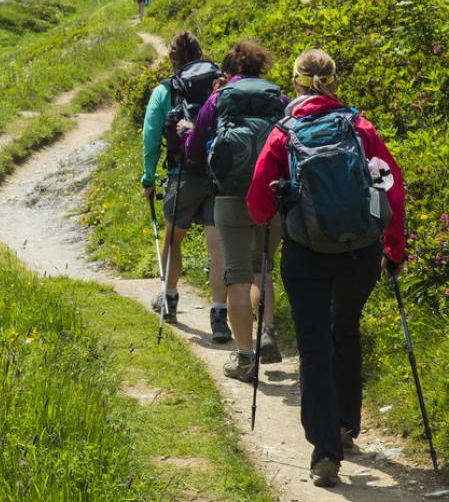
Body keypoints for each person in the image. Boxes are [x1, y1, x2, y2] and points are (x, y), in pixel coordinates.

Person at [246, 49, 406, 488]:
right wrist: (394, 248)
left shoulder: (284, 133)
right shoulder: (360, 127)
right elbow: (393, 189)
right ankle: (345, 426)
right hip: (360, 251)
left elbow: (257, 204)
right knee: (346, 330)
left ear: (295, 83)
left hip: (306, 253)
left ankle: (324, 455)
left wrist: (278, 208)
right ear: (335, 82)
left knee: (313, 346)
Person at [179, 40, 287, 381]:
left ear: (228, 70)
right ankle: (267, 330)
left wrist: (185, 136)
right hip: (271, 196)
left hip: (229, 197)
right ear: (261, 67)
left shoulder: (219, 97)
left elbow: (196, 149)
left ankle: (244, 359)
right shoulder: (279, 98)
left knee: (237, 277)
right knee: (262, 268)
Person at [141, 31, 229, 341]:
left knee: (173, 240)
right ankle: (219, 315)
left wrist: (148, 177)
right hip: (218, 175)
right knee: (217, 246)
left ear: (172, 59)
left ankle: (170, 297)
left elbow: (152, 136)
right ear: (202, 53)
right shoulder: (219, 85)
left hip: (181, 174)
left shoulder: (166, 90)